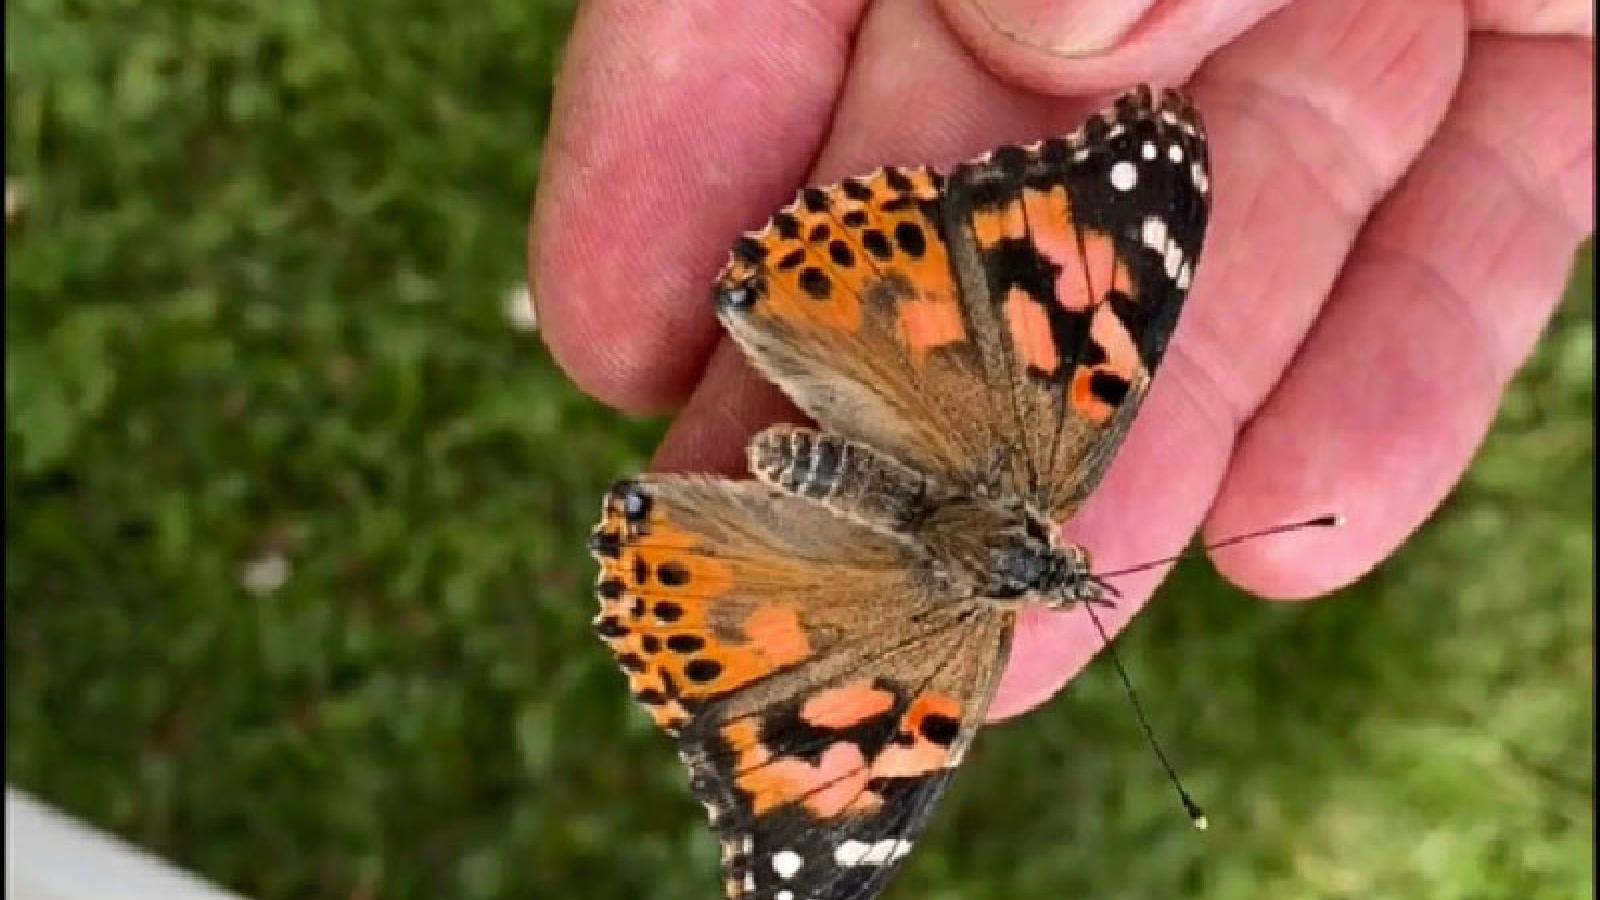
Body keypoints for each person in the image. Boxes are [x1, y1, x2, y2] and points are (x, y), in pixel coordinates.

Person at [529, 0, 1593, 720]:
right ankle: (683, 552)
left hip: (904, 374)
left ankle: (795, 308)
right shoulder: (961, 644)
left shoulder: (1059, 449)